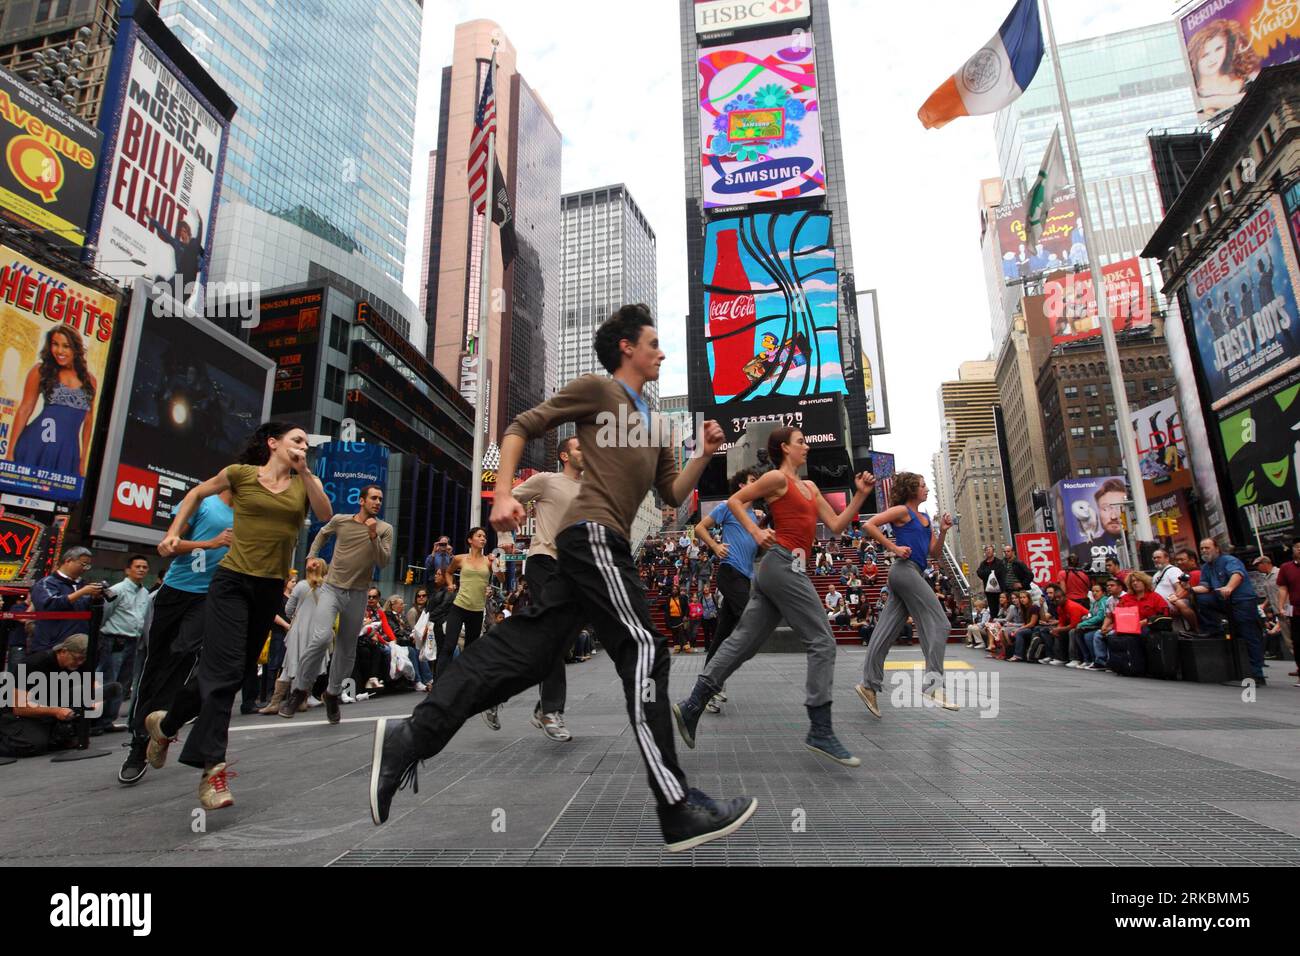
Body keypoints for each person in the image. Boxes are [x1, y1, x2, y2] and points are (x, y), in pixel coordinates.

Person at [368, 304, 757, 852]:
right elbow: (520, 427)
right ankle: (676, 808)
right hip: (592, 536)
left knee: (527, 654)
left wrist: (706, 454)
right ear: (626, 348)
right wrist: (503, 494)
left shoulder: (656, 423)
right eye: (653, 343)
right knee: (645, 650)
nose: (662, 352)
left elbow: (671, 493)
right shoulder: (599, 391)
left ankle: (411, 736)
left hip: (601, 545)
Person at [146, 421, 331, 811]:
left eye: (306, 444)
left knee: (230, 674)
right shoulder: (242, 475)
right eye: (296, 440)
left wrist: (306, 472)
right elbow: (196, 493)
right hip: (231, 582)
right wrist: (173, 532)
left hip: (269, 588)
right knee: (224, 672)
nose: (303, 446)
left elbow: (324, 513)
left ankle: (165, 725)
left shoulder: (304, 483)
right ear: (273, 443)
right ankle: (213, 770)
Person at [673, 426, 875, 766]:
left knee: (744, 642)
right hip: (784, 565)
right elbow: (735, 501)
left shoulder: (810, 487)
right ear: (784, 448)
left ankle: (693, 704)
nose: (806, 447)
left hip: (778, 570)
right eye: (801, 442)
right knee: (823, 641)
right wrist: (755, 531)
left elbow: (837, 525)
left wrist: (860, 495)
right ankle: (820, 730)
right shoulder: (777, 479)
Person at [117, 489, 234, 785]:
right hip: (175, 592)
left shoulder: (251, 514)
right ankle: (139, 744)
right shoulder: (202, 503)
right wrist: (211, 543)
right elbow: (168, 548)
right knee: (155, 667)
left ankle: (166, 725)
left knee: (184, 654)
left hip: (209, 597)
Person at [283, 484, 393, 722]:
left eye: (380, 499)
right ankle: (299, 690)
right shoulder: (341, 520)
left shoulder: (384, 529)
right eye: (373, 498)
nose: (377, 502)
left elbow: (383, 561)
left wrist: (373, 535)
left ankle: (332, 693)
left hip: (358, 593)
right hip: (332, 588)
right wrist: (312, 556)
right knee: (321, 638)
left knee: (347, 648)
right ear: (361, 501)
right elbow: (323, 534)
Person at [507, 434, 586, 742]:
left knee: (560, 638)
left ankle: (505, 691)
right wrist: (508, 531)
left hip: (572, 570)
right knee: (553, 632)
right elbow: (509, 498)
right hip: (544, 560)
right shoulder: (546, 480)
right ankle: (550, 710)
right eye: (580, 448)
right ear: (565, 455)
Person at [856, 472, 957, 713]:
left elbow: (934, 553)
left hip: (912, 574)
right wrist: (894, 547)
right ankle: (933, 686)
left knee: (885, 631)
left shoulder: (925, 518)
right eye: (923, 485)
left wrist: (943, 531)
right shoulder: (902, 511)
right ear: (912, 489)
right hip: (904, 570)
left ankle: (868, 685)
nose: (927, 489)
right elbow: (868, 525)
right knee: (941, 623)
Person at [693, 467, 760, 712]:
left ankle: (706, 689)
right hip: (730, 573)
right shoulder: (729, 506)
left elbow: (755, 548)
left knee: (721, 636)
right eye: (752, 480)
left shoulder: (754, 517)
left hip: (745, 577)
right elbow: (700, 527)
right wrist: (715, 546)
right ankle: (716, 682)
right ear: (741, 485)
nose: (757, 484)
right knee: (750, 620)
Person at [0, 634, 123, 757]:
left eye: (83, 659)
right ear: (63, 651)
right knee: (32, 745)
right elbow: (19, 708)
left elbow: (91, 683)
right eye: (77, 658)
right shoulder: (33, 664)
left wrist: (96, 700)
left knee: (97, 691)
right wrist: (56, 711)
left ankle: (57, 733)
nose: (80, 663)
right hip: (20, 713)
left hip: (52, 702)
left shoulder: (81, 664)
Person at [5, 324, 97, 480]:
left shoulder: (90, 381)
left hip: (67, 452)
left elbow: (88, 421)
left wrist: (82, 461)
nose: (59, 351)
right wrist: (10, 452)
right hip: (35, 445)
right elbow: (25, 409)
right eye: (55, 344)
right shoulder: (40, 371)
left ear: (76, 348)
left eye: (66, 346)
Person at [1193, 539, 1265, 684]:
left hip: (1242, 601)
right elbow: (1205, 587)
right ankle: (1215, 629)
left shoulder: (1229, 560)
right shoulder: (1206, 567)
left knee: (1249, 635)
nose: (1204, 551)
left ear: (1217, 548)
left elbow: (1237, 574)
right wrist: (1189, 590)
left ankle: (1257, 673)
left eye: (1207, 548)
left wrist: (1229, 587)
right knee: (1202, 599)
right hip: (1224, 601)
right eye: (1202, 549)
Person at [260, 556, 327, 715]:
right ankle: (302, 700)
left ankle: (275, 702)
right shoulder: (327, 589)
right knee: (310, 666)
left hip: (299, 630)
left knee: (289, 666)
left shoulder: (301, 586)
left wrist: (296, 617)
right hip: (318, 631)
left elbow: (289, 609)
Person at [436, 527, 492, 681]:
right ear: (470, 540)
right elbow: (448, 572)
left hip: (477, 610)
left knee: (470, 650)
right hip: (459, 607)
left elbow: (501, 578)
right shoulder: (459, 558)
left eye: (484, 536)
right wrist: (450, 584)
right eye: (479, 536)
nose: (483, 539)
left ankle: (464, 683)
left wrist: (498, 564)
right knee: (449, 646)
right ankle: (438, 683)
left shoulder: (489, 561)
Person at [27, 547, 102, 661]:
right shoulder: (46, 583)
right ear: (68, 560)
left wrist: (95, 598)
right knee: (34, 671)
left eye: (88, 566)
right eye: (83, 564)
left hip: (78, 647)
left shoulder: (82, 584)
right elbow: (50, 605)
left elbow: (91, 613)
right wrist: (81, 592)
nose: (85, 569)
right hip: (50, 646)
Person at [98, 554, 153, 698]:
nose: (141, 569)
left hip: (133, 642)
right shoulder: (117, 590)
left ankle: (112, 712)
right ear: (128, 570)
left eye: (145, 567)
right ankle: (97, 711)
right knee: (108, 681)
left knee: (123, 683)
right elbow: (104, 615)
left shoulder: (145, 593)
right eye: (137, 566)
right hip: (114, 641)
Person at [1186, 18, 1260, 120]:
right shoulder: (1197, 97)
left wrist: (1211, 102)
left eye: (1218, 49)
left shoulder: (1243, 74)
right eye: (1205, 55)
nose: (1213, 59)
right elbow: (1206, 118)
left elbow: (1260, 94)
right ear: (1195, 59)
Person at [1040, 584, 1087, 665]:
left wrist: (1058, 629)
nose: (1057, 599)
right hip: (1072, 625)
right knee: (1054, 631)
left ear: (1065, 597)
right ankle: (1060, 657)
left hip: (1082, 625)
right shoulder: (1060, 607)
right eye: (1055, 598)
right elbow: (1062, 622)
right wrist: (1057, 629)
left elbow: (1074, 625)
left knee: (1072, 632)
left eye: (1059, 597)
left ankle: (1075, 659)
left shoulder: (1072, 606)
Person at [1275, 540, 1300, 681]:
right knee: (1296, 642)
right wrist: (1281, 606)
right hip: (1295, 611)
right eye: (1297, 547)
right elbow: (1283, 588)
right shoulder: (1286, 567)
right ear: (1293, 549)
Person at [1007, 591, 1043, 662]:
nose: (1022, 599)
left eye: (1024, 597)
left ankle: (1018, 655)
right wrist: (1018, 629)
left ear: (1029, 598)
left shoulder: (1034, 607)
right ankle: (1010, 654)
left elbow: (1032, 623)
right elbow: (1025, 623)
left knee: (1019, 633)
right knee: (1011, 632)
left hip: (1035, 629)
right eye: (1020, 598)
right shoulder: (1024, 608)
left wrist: (1019, 629)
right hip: (1028, 628)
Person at [976, 545, 1007, 615]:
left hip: (999, 590)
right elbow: (979, 573)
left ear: (993, 551)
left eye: (989, 550)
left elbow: (1001, 573)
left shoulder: (999, 562)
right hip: (989, 591)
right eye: (986, 550)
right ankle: (994, 618)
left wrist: (988, 572)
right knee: (992, 608)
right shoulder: (983, 564)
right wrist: (990, 572)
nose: (988, 551)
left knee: (1002, 607)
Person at [664, 585, 688, 653]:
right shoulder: (669, 598)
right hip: (672, 618)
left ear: (678, 590)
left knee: (682, 633)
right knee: (674, 634)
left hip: (680, 618)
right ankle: (677, 648)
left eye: (676, 589)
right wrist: (667, 619)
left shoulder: (682, 597)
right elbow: (667, 610)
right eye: (673, 589)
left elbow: (686, 607)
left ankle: (686, 647)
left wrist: (685, 615)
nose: (674, 590)